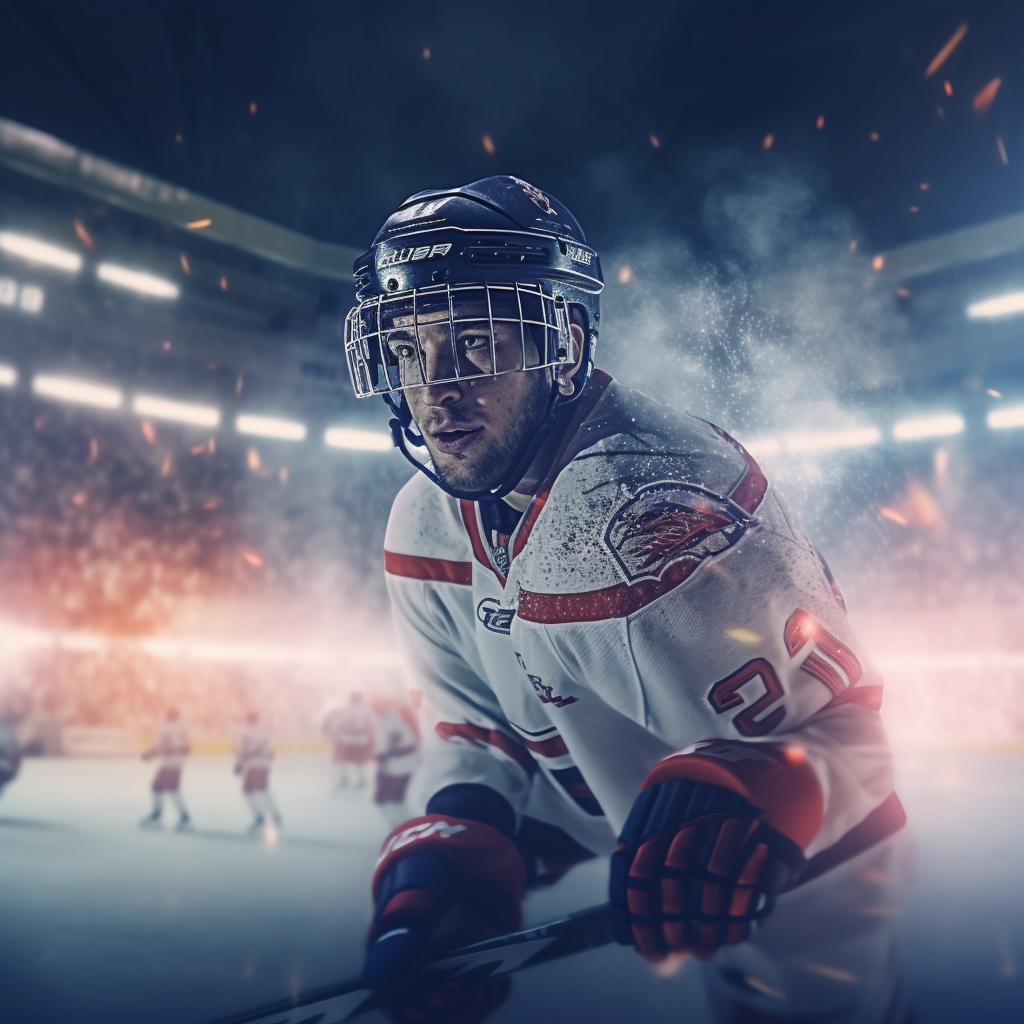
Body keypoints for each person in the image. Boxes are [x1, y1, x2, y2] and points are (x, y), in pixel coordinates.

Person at [346, 176, 910, 1020]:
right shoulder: (422, 522)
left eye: (475, 344)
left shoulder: (651, 512)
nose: (437, 388)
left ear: (563, 344)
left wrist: (776, 788)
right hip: (599, 801)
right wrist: (463, 838)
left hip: (811, 877)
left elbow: (854, 737)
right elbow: (475, 723)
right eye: (410, 349)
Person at [369, 692, 420, 825]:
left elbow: (382, 750)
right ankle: (409, 823)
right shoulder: (397, 714)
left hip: (395, 765)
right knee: (398, 799)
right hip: (410, 761)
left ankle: (400, 826)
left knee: (380, 799)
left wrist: (380, 772)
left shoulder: (382, 720)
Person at [140, 708, 191, 829]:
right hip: (165, 763)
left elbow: (187, 749)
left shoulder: (182, 728)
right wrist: (150, 753)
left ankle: (185, 818)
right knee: (156, 787)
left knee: (172, 789)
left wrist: (172, 751)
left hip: (175, 763)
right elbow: (159, 746)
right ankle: (156, 815)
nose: (169, 716)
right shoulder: (161, 727)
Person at [235, 711, 281, 834]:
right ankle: (261, 816)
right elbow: (243, 748)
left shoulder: (259, 730)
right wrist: (240, 762)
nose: (248, 718)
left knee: (260, 788)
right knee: (248, 790)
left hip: (260, 762)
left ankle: (273, 815)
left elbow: (258, 747)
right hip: (252, 763)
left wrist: (240, 762)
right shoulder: (245, 731)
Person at [323, 692, 375, 791]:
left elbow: (340, 723)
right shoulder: (363, 709)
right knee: (353, 761)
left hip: (351, 739)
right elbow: (370, 723)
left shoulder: (351, 709)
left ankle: (351, 779)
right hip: (355, 738)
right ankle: (356, 779)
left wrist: (333, 732)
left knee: (348, 760)